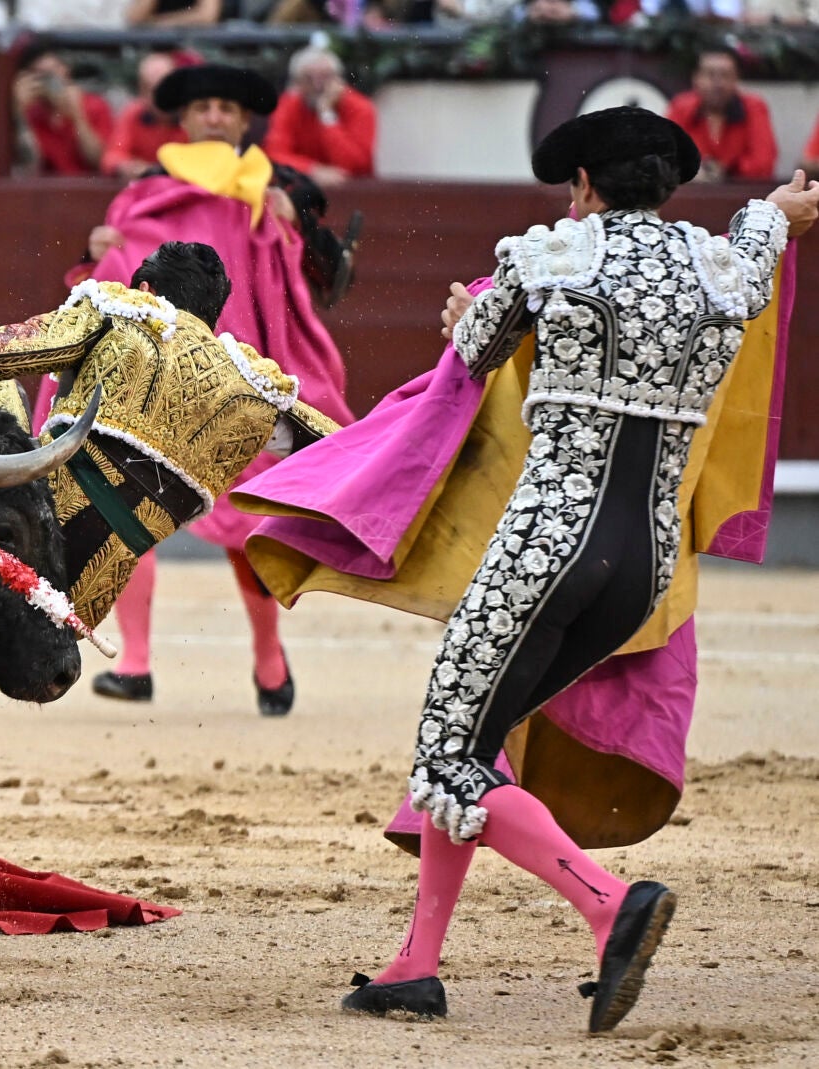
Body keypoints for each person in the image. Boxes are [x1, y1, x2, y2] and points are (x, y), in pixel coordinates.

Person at [321, 107, 818, 1030]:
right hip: (642, 572)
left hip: (545, 548)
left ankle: (606, 904)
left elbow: (469, 359)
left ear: (583, 186)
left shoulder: (550, 257)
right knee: (478, 739)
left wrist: (472, 315)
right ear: (666, 188)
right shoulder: (724, 267)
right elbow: (766, 228)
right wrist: (778, 207)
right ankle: (414, 964)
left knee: (445, 754)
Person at [0, 242, 340, 716]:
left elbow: (0, 352)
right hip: (87, 592)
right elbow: (348, 450)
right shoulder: (255, 388)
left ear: (143, 285)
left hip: (28, 530)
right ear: (212, 316)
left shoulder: (124, 313)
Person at [77, 63, 354, 712]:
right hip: (159, 372)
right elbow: (114, 271)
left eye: (227, 107)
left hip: (243, 371)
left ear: (243, 120)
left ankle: (268, 660)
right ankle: (136, 664)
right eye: (202, 107)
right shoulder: (147, 188)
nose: (214, 117)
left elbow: (328, 278)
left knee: (246, 521)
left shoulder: (281, 186)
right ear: (183, 119)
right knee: (129, 509)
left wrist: (299, 230)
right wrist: (98, 250)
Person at [261, 46, 375, 186]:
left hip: (353, 190)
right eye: (309, 78)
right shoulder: (288, 105)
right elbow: (274, 154)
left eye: (325, 77)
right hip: (303, 187)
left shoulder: (360, 107)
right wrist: (312, 170)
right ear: (297, 83)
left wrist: (327, 115)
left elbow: (355, 166)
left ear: (339, 80)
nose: (318, 85)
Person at [665, 46, 777, 182]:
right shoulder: (681, 106)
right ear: (696, 78)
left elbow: (764, 165)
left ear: (736, 79)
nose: (718, 84)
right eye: (710, 75)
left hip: (741, 196)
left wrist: (726, 170)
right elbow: (664, 159)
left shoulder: (754, 107)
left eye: (725, 75)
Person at [14, 43, 114, 177]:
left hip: (88, 190)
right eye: (41, 76)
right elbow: (29, 166)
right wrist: (19, 112)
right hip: (47, 193)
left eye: (52, 73)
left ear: (65, 70)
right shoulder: (31, 113)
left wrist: (77, 115)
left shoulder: (95, 106)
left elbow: (99, 162)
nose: (50, 82)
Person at [100, 51, 191, 181]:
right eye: (153, 90)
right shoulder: (133, 114)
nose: (162, 97)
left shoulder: (191, 115)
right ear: (141, 90)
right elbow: (112, 157)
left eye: (167, 89)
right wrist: (130, 167)